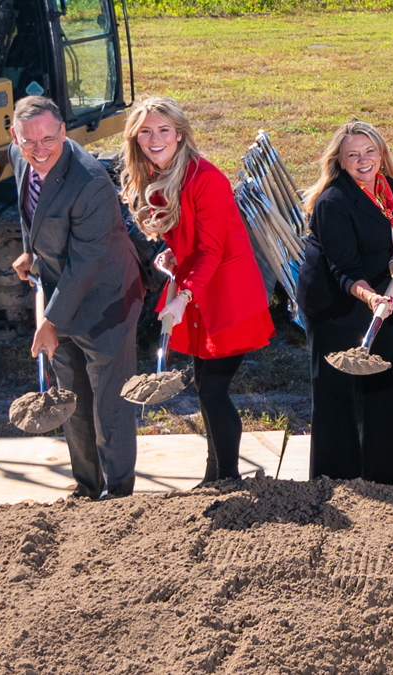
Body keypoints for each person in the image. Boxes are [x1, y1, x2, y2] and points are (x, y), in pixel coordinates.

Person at [120, 97, 274, 486]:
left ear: (180, 134)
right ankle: (214, 474)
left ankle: (229, 477)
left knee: (214, 389)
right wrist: (172, 254)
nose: (155, 138)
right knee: (206, 388)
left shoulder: (205, 178)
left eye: (164, 130)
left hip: (227, 295)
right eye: (146, 132)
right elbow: (192, 238)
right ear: (136, 138)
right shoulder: (161, 175)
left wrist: (181, 298)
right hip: (197, 288)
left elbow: (213, 249)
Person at [7, 95, 143, 499]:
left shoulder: (90, 183)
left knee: (109, 402)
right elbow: (29, 208)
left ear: (64, 132)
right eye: (29, 142)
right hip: (60, 292)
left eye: (49, 139)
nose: (39, 150)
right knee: (72, 398)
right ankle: (87, 487)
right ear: (15, 138)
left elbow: (86, 263)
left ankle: (119, 493)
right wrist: (31, 249)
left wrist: (49, 322)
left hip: (106, 301)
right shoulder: (20, 157)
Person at [296, 120, 393, 485]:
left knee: (386, 388)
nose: (363, 160)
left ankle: (386, 479)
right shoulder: (334, 202)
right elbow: (343, 270)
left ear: (381, 153)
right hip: (335, 304)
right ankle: (335, 482)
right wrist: (372, 297)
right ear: (340, 161)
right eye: (353, 155)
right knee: (337, 392)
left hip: (381, 294)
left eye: (370, 151)